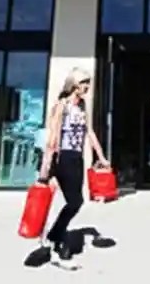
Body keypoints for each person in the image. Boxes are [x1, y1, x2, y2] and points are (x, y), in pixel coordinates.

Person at [39, 68, 108, 269]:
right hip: (63, 158)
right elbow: (53, 136)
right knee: (75, 201)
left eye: (88, 82)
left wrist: (101, 156)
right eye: (84, 82)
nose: (87, 86)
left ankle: (55, 236)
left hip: (77, 158)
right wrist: (46, 165)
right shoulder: (62, 106)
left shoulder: (82, 106)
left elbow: (90, 133)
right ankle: (57, 240)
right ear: (74, 84)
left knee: (77, 201)